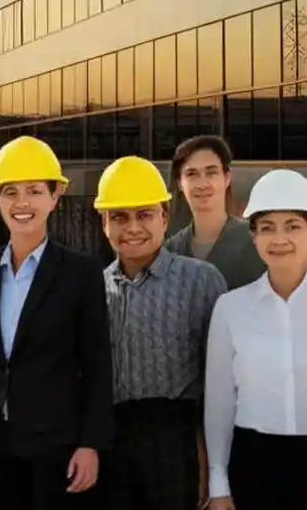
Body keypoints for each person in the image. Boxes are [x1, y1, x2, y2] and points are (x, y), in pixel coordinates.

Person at [0, 136, 112, 510]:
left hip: (57, 447)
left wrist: (90, 444)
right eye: (10, 192)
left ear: (54, 197)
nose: (22, 203)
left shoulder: (82, 272)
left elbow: (96, 364)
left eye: (34, 191)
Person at [93, 157, 226, 510]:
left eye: (145, 214)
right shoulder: (93, 289)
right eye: (119, 216)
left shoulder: (201, 280)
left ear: (165, 218)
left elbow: (218, 379)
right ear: (104, 223)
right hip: (113, 440)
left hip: (178, 437)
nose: (133, 226)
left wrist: (208, 457)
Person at [204, 168, 307, 510]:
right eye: (267, 227)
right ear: (253, 237)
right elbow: (219, 404)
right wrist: (219, 486)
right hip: (254, 465)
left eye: (293, 226)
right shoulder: (231, 309)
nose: (279, 239)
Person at [165, 135, 265, 289]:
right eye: (192, 174)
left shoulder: (256, 241)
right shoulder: (171, 251)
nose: (202, 184)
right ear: (180, 183)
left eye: (211, 172)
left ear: (227, 178)